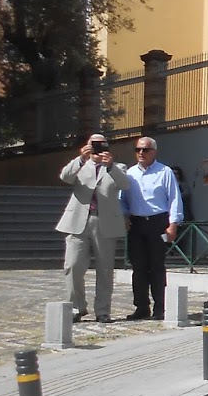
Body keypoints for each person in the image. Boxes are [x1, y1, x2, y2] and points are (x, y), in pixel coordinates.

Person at [55, 131, 130, 324]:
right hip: (78, 221)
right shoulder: (80, 165)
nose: (97, 148)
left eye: (101, 144)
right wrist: (81, 158)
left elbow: (125, 184)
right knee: (72, 266)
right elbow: (65, 176)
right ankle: (76, 307)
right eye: (93, 144)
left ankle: (103, 311)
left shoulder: (117, 167)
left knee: (105, 269)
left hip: (104, 222)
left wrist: (110, 166)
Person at [119, 136, 184, 320]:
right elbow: (121, 199)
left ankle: (160, 307)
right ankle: (141, 307)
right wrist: (124, 215)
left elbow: (174, 199)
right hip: (137, 223)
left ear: (153, 152)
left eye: (145, 150)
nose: (141, 153)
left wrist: (173, 224)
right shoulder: (130, 173)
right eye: (138, 149)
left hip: (158, 222)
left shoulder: (165, 172)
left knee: (157, 266)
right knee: (138, 267)